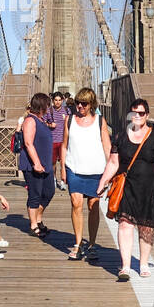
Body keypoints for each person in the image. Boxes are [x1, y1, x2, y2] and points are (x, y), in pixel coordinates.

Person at [97, 98, 154, 281]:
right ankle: (125, 266)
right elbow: (114, 162)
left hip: (149, 188)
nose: (137, 116)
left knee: (146, 227)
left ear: (147, 115)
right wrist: (103, 181)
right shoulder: (121, 136)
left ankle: (144, 263)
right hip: (127, 187)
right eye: (134, 112)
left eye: (141, 113)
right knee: (124, 224)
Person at [63, 87, 112, 262]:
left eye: (84, 103)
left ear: (91, 105)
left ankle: (91, 244)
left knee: (93, 206)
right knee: (76, 203)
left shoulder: (100, 121)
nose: (80, 106)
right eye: (77, 103)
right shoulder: (69, 120)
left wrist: (110, 171)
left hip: (96, 170)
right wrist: (62, 168)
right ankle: (77, 244)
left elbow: (107, 146)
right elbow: (64, 145)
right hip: (74, 168)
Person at [19, 92, 55, 236]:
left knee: (49, 192)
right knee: (35, 195)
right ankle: (34, 225)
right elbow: (28, 143)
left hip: (46, 164)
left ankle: (38, 219)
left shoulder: (40, 120)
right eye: (47, 104)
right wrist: (37, 163)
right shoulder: (30, 121)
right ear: (42, 105)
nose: (49, 107)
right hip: (34, 165)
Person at [46, 91, 69, 191]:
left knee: (63, 162)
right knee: (53, 163)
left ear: (62, 100)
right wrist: (50, 125)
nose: (57, 102)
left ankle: (63, 181)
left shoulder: (67, 111)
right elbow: (42, 122)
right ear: (53, 101)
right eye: (56, 100)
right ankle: (54, 179)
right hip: (52, 140)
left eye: (59, 100)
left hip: (64, 141)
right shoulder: (48, 111)